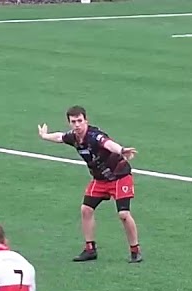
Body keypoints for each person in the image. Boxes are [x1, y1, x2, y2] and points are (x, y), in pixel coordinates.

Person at [37, 106, 142, 263]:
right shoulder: (74, 137)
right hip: (100, 180)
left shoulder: (94, 136)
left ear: (86, 120)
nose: (77, 124)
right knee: (86, 209)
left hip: (119, 177)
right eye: (73, 122)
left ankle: (135, 250)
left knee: (123, 215)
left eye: (80, 121)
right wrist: (45, 136)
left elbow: (108, 144)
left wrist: (121, 150)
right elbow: (60, 137)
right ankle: (90, 249)